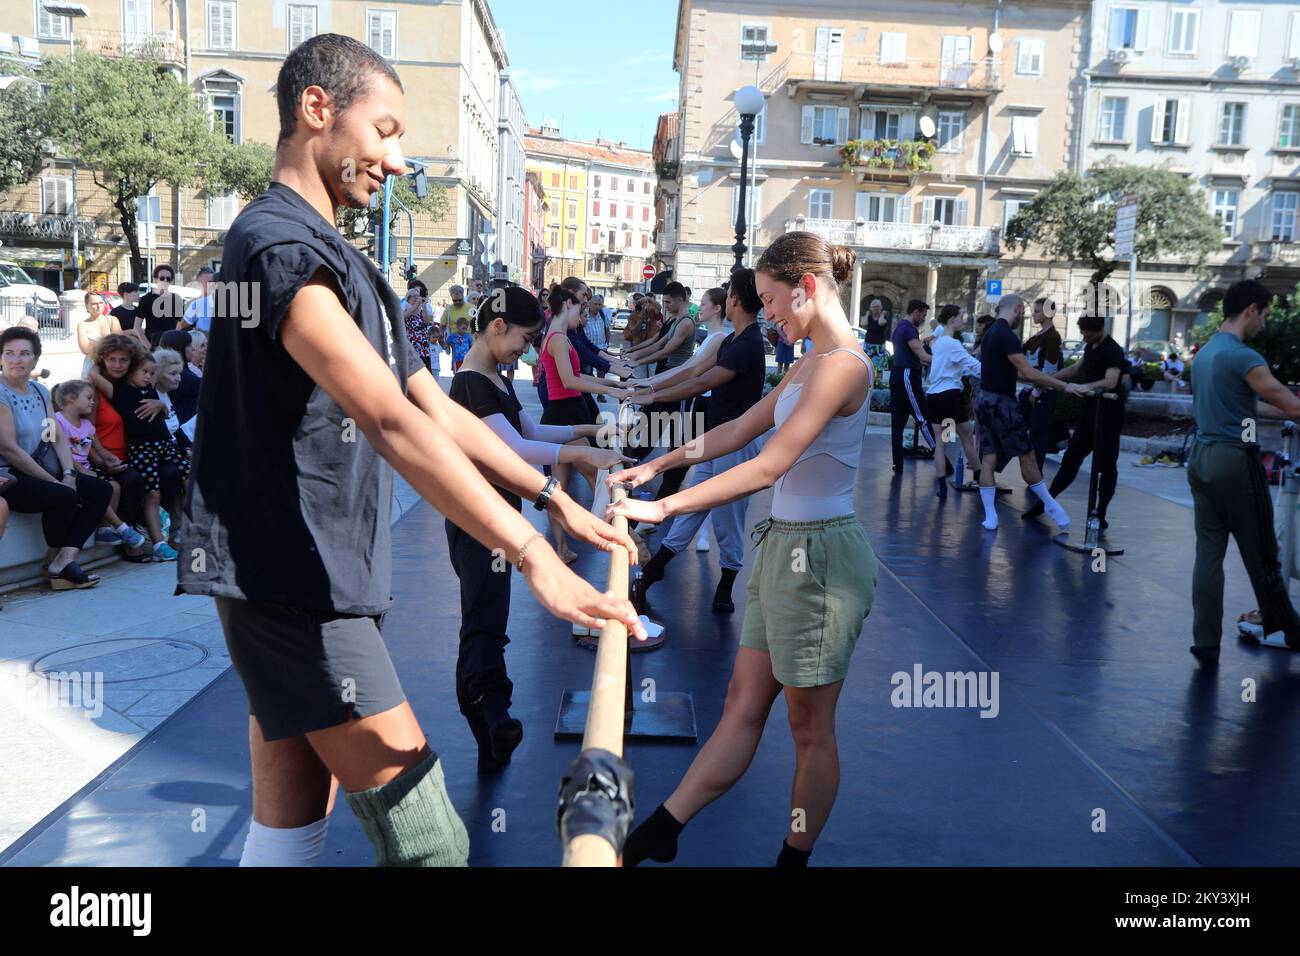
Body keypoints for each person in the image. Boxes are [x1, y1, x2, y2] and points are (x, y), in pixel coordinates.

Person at [176, 33, 644, 869]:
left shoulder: (345, 260)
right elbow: (390, 422)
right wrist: (534, 557)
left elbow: (436, 406)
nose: (397, 159)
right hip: (291, 584)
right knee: (429, 840)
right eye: (385, 130)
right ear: (317, 110)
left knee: (289, 822)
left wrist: (553, 497)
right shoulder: (277, 244)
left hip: (319, 574)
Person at [610, 233, 877, 868]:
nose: (768, 314)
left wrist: (667, 507)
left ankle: (792, 858)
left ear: (806, 286)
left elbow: (768, 465)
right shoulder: (810, 362)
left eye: (771, 300)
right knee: (742, 703)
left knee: (809, 728)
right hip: (784, 548)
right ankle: (663, 828)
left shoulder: (844, 367)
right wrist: (661, 466)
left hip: (821, 561)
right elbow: (737, 430)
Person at [448, 286, 630, 770]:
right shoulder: (470, 384)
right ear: (496, 327)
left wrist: (588, 433)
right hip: (476, 517)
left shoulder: (494, 380)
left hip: (497, 514)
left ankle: (489, 722)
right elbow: (513, 451)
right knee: (484, 619)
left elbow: (530, 433)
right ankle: (492, 711)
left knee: (487, 616)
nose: (526, 351)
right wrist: (581, 452)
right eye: (524, 340)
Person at [627, 273, 768, 614]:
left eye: (729, 293)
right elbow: (692, 373)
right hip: (715, 438)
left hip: (736, 443)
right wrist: (648, 390)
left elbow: (702, 380)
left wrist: (651, 394)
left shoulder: (748, 343)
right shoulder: (734, 339)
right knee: (691, 503)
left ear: (734, 300)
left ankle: (726, 584)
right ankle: (655, 569)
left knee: (728, 518)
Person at [1185, 279, 1300, 663]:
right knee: (1264, 554)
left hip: (1202, 458)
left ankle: (1205, 642)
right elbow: (1291, 405)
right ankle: (1292, 633)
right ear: (1251, 310)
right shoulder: (1242, 355)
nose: (1265, 324)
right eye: (1265, 315)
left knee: (1208, 554)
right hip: (1235, 461)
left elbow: (1246, 405)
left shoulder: (1206, 354)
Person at [0, 327, 113, 589]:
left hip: (39, 468)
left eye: (25, 354)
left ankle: (63, 559)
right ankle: (56, 565)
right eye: (10, 353)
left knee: (100, 489)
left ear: (35, 360)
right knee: (63, 495)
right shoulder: (1, 393)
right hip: (10, 474)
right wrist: (54, 481)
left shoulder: (39, 390)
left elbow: (56, 435)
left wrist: (69, 473)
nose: (17, 360)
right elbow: (8, 449)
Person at [975, 294, 1082, 531]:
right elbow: (1029, 372)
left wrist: (1040, 384)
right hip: (1001, 404)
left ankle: (990, 517)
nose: (1024, 316)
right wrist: (1065, 385)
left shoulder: (991, 333)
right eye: (1023, 311)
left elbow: (1016, 373)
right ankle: (1051, 506)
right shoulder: (1007, 335)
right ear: (1016, 308)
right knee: (1027, 454)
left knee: (989, 458)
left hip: (984, 400)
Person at [540, 283, 630, 562]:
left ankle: (563, 548)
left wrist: (610, 384)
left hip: (563, 412)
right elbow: (570, 381)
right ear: (567, 304)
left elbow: (580, 376)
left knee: (557, 487)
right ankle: (623, 534)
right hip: (565, 413)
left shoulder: (559, 337)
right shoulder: (557, 338)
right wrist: (610, 389)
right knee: (594, 475)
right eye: (579, 306)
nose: (582, 313)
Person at [1023, 314, 1126, 525]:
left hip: (1108, 416)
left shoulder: (1113, 350)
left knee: (1107, 466)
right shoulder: (1091, 346)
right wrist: (1049, 380)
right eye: (1083, 335)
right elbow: (1075, 368)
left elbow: (1111, 380)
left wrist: (1085, 387)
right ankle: (1046, 503)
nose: (1085, 338)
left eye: (1089, 335)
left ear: (1100, 329)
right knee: (1070, 460)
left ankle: (1100, 513)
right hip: (1089, 414)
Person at [88, 350, 188, 559]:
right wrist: (98, 361)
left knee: (192, 476)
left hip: (164, 446)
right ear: (131, 371)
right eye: (144, 371)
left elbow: (165, 411)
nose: (148, 376)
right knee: (153, 493)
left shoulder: (148, 389)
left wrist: (160, 406)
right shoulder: (120, 391)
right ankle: (159, 543)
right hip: (142, 450)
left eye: (151, 373)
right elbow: (94, 372)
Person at [53, 379, 147, 549]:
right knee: (101, 486)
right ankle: (121, 527)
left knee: (115, 487)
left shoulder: (88, 425)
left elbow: (99, 449)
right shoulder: (57, 420)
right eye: (88, 398)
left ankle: (103, 529)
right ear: (71, 398)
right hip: (66, 469)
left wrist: (110, 458)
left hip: (87, 468)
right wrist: (80, 469)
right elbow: (58, 450)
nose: (93, 402)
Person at [87, 334, 151, 559]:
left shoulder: (131, 385)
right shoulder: (93, 389)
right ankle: (129, 539)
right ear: (103, 360)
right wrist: (100, 458)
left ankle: (142, 528)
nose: (117, 365)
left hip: (132, 453)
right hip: (104, 457)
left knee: (166, 474)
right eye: (111, 359)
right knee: (131, 480)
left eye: (123, 360)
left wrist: (160, 404)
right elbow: (86, 428)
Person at [925, 305, 982, 498]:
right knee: (967, 437)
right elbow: (973, 366)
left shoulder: (938, 343)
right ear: (951, 319)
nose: (963, 320)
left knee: (941, 443)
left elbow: (957, 365)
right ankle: (983, 480)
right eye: (960, 317)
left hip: (933, 395)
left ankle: (942, 487)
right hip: (949, 394)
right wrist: (996, 371)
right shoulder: (953, 344)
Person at [1017, 297, 1063, 470]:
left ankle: (1036, 473)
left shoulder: (1053, 337)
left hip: (1042, 392)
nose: (1034, 315)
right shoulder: (1036, 337)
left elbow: (1050, 369)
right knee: (1021, 430)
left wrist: (1037, 391)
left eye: (1037, 311)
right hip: (1030, 390)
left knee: (1038, 434)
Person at [889, 299, 935, 472]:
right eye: (923, 315)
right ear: (915, 312)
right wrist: (946, 361)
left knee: (898, 423)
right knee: (922, 417)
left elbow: (913, 351)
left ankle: (897, 463)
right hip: (907, 376)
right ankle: (940, 457)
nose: (923, 318)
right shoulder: (909, 330)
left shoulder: (900, 327)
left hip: (897, 375)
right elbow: (922, 356)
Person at [76, 291, 124, 377]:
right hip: (91, 367)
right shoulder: (82, 325)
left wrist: (94, 344)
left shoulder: (112, 320)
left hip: (112, 367)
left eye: (101, 303)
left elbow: (119, 344)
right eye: (94, 304)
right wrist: (108, 343)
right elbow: (85, 349)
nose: (98, 306)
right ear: (87, 306)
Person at [135, 264, 185, 346]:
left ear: (171, 281)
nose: (165, 281)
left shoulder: (177, 299)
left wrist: (174, 340)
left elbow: (180, 323)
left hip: (171, 345)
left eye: (168, 279)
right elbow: (137, 326)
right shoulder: (146, 299)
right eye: (162, 278)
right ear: (155, 279)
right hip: (152, 344)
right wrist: (148, 346)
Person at [401, 281, 434, 373]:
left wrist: (423, 305)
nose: (417, 298)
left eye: (419, 295)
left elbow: (426, 321)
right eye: (415, 296)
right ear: (409, 297)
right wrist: (415, 305)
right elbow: (402, 317)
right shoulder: (404, 306)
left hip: (423, 346)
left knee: (426, 371)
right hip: (410, 345)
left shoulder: (424, 308)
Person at [179, 266, 217, 334]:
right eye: (208, 282)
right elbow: (181, 327)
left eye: (213, 282)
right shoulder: (195, 304)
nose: (212, 285)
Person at [860, 297, 890, 381]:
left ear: (881, 307)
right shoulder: (868, 317)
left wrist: (882, 314)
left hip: (879, 346)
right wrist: (866, 314)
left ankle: (878, 383)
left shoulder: (884, 317)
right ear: (870, 308)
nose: (876, 308)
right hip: (869, 345)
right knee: (867, 366)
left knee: (879, 368)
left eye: (877, 306)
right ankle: (868, 382)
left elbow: (880, 323)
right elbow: (863, 324)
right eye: (874, 307)